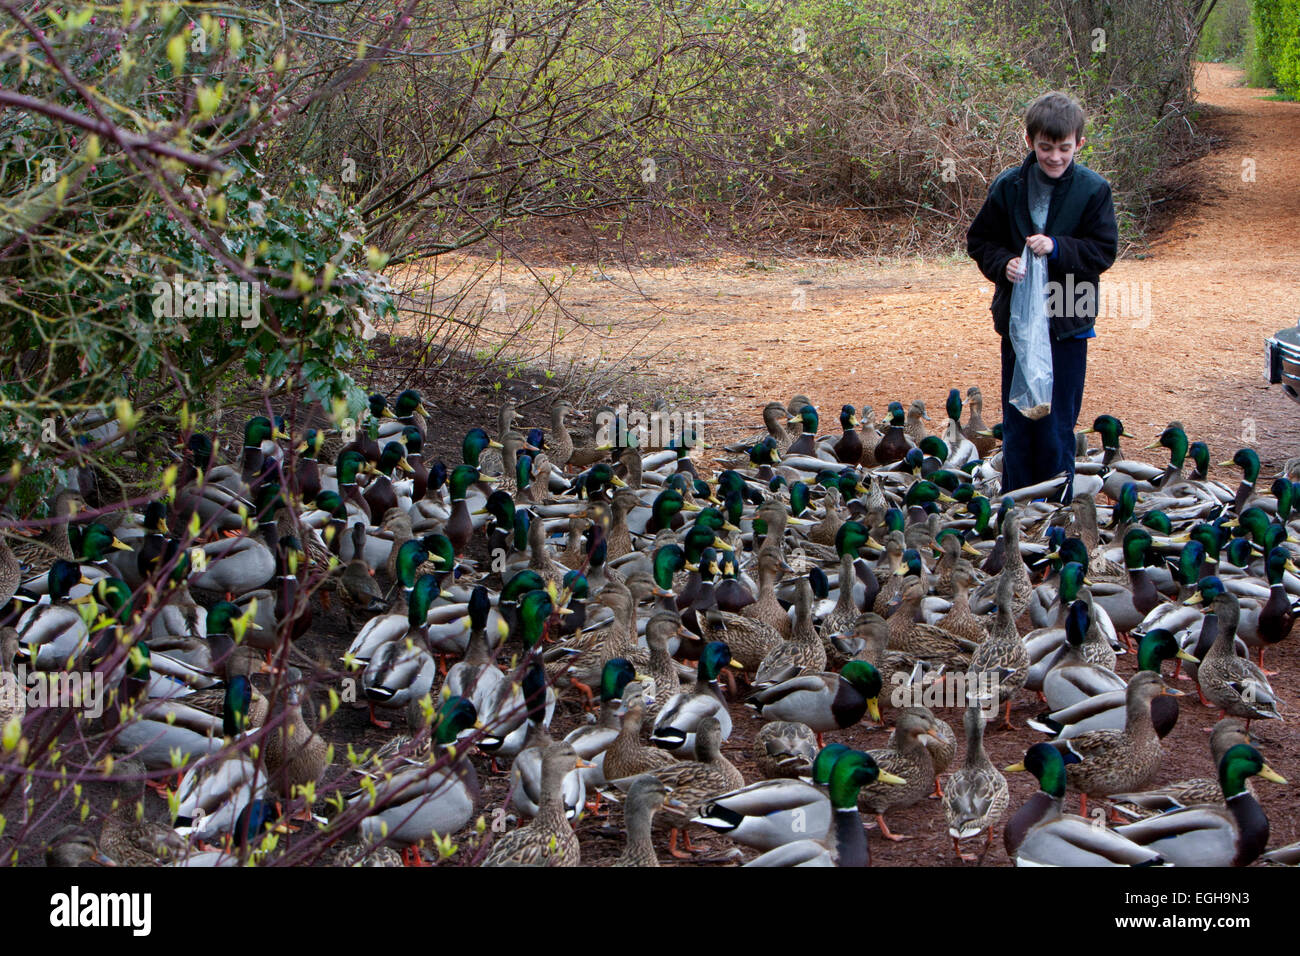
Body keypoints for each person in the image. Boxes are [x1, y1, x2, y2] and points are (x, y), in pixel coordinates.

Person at [966, 90, 1118, 502]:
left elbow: (1103, 251)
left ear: (1079, 144)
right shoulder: (1008, 187)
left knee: (1056, 421)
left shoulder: (1093, 190)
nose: (1054, 157)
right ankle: (1017, 508)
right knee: (1019, 420)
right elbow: (980, 241)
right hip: (1018, 324)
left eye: (1064, 148)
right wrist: (1004, 264)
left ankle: (1056, 512)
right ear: (1029, 141)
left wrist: (1058, 247)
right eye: (1046, 147)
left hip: (1068, 321)